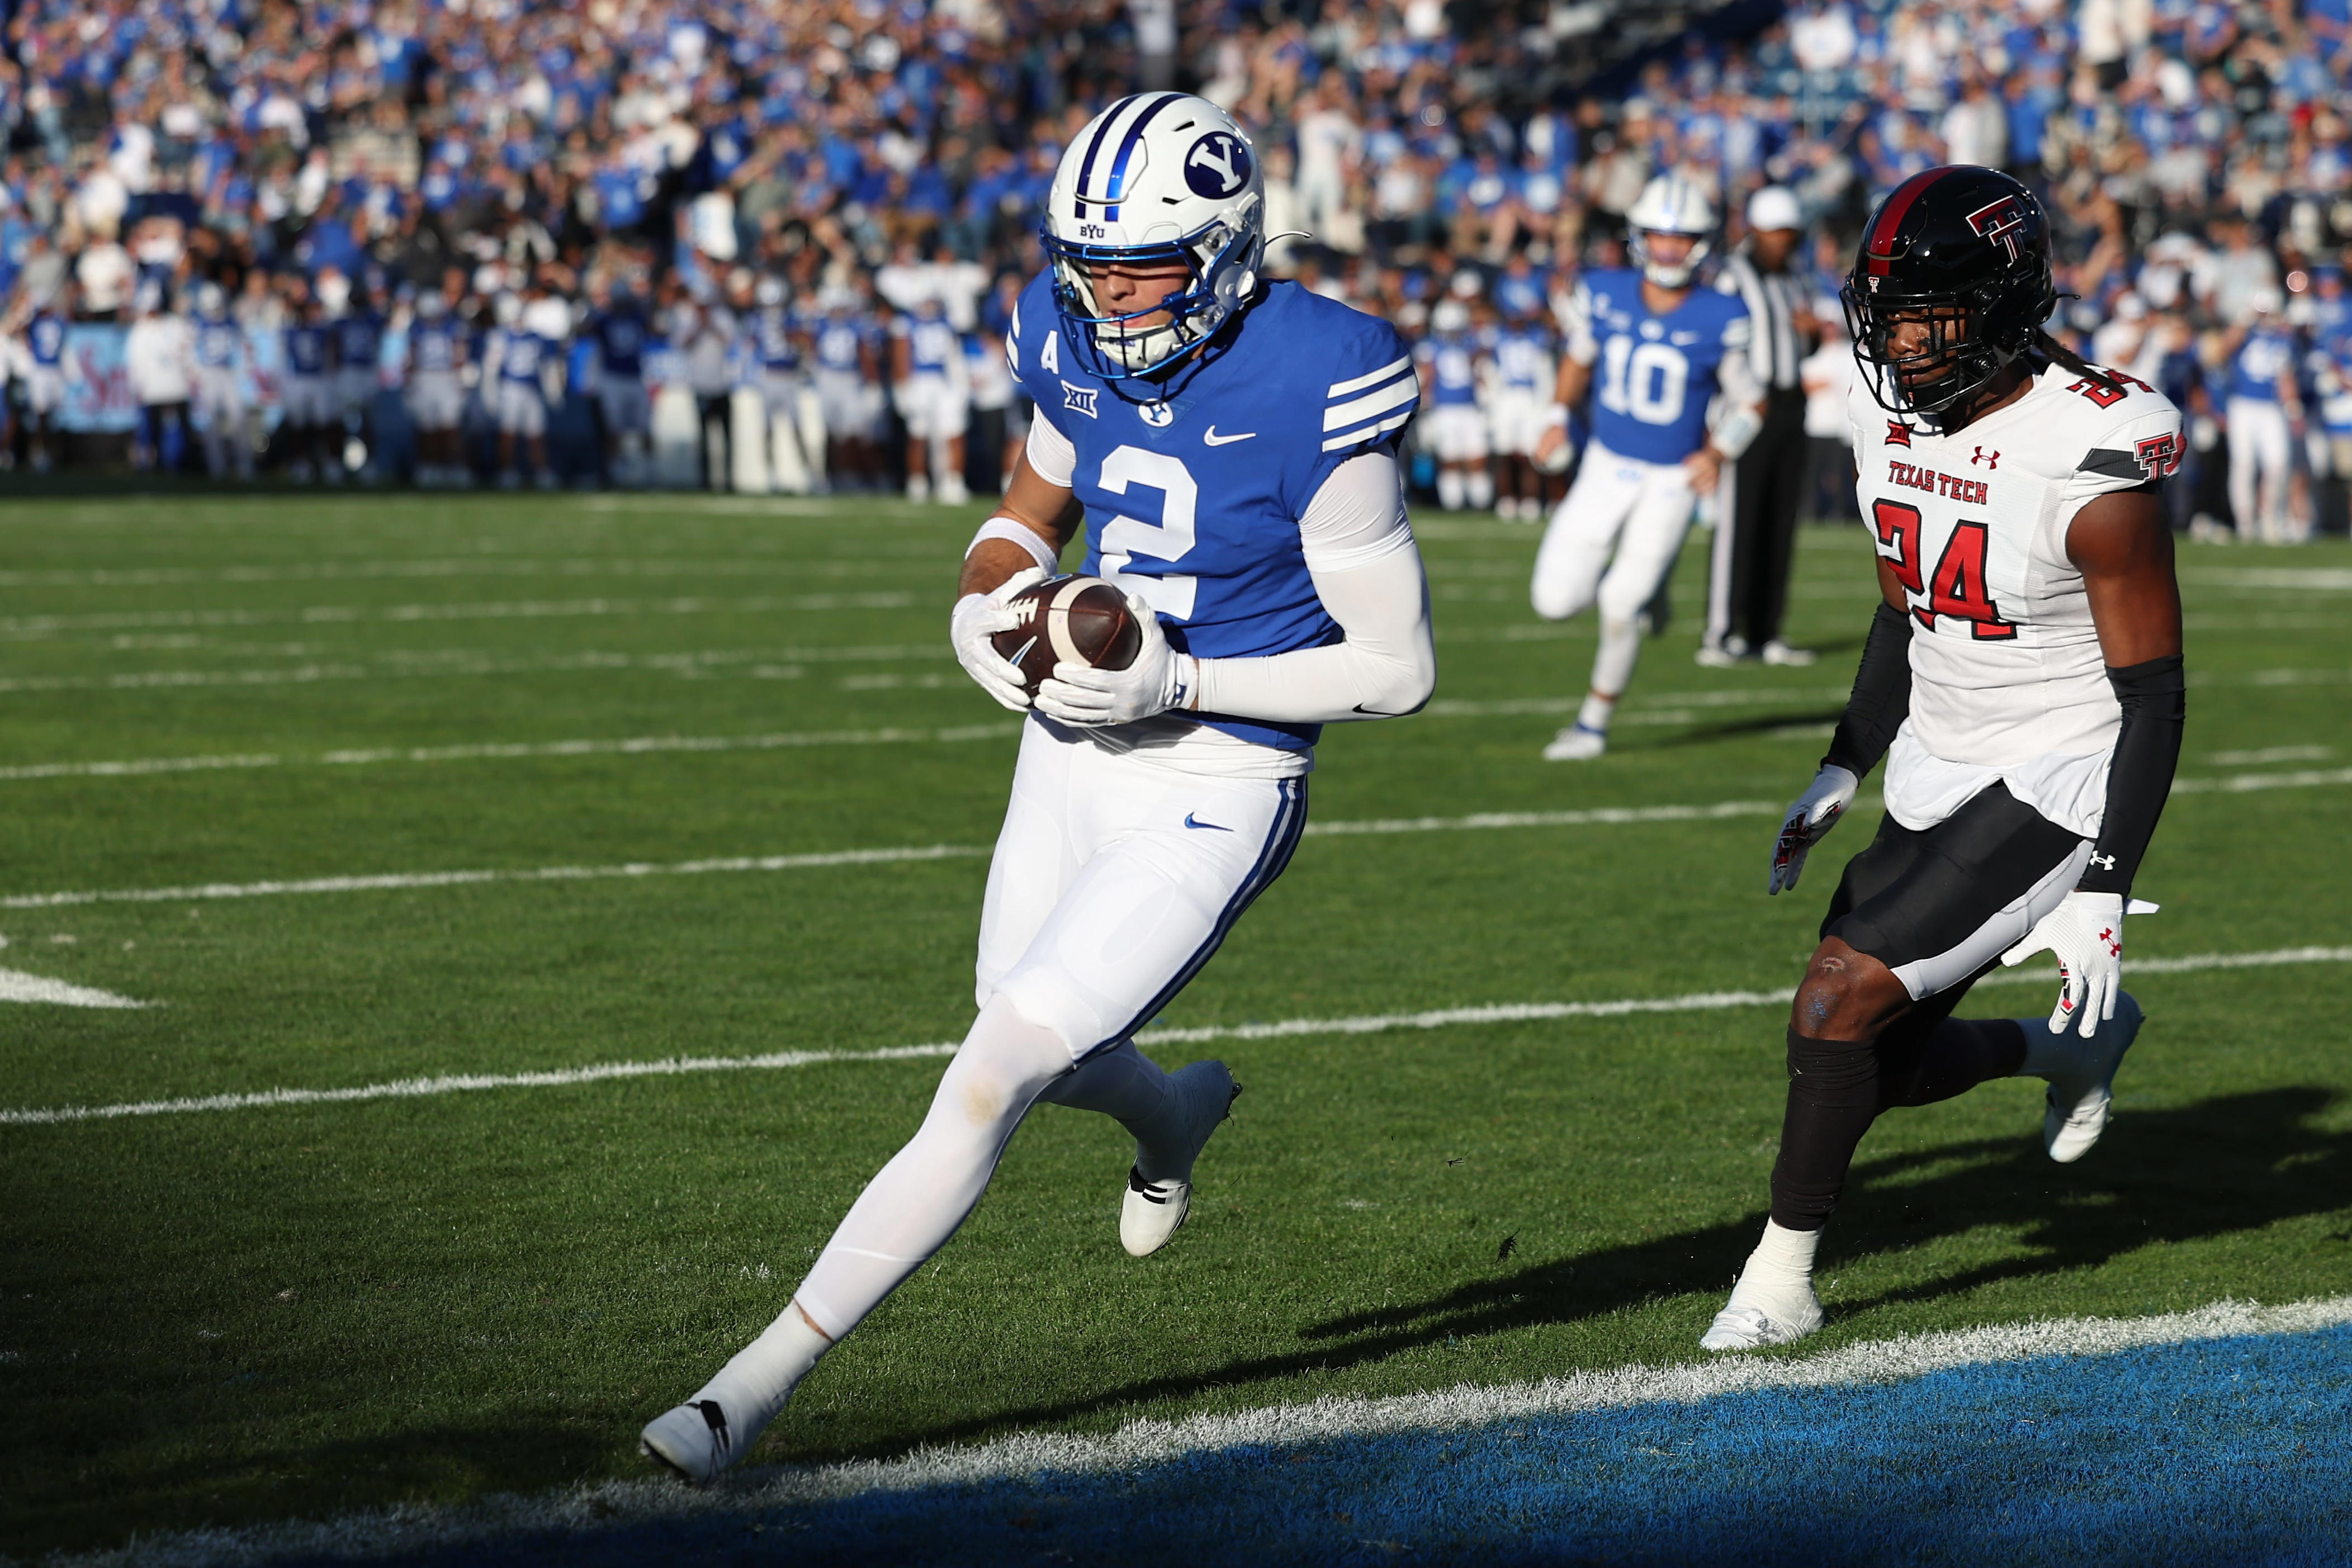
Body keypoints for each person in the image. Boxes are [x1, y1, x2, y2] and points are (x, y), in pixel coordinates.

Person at [638, 92, 1436, 1482]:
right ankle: (1173, 1113)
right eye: (1088, 264)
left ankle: (747, 1389)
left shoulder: (1320, 368)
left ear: (1232, 248)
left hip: (1217, 767)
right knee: (1013, 1020)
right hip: (1067, 740)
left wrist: (1178, 682)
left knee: (991, 1069)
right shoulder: (1067, 325)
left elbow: (1394, 668)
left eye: (1140, 268)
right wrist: (983, 605)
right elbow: (1030, 513)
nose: (1106, 295)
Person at [1702, 168, 2186, 1351]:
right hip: (1938, 754)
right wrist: (1841, 761)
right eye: (1888, 318)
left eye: (1931, 316)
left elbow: (2153, 694)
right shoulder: (1891, 418)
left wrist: (2107, 882)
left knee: (1833, 1000)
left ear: (2007, 300)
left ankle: (1776, 1282)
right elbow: (1898, 616)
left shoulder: (2092, 447)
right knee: (1879, 1059)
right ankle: (2065, 1048)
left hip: (2056, 772)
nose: (1904, 344)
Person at [1529, 174, 1764, 761]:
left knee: (1618, 604)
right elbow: (1578, 358)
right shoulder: (1603, 291)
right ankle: (1649, 590)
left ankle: (1592, 722)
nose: (1667, 249)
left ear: (1700, 243)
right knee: (1552, 602)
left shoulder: (1720, 313)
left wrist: (1717, 452)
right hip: (1605, 466)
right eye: (1658, 236)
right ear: (1638, 238)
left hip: (1671, 481)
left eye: (1680, 238)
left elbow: (1751, 401)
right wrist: (1558, 413)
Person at [1703, 186, 1820, 667]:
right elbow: (1717, 346)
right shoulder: (1731, 278)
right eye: (1776, 234)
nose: (1784, 243)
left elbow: (1799, 347)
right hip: (1748, 407)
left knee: (1779, 519)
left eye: (1790, 235)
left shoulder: (1792, 279)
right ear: (1755, 231)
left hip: (1792, 404)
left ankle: (1766, 630)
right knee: (1740, 519)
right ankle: (1721, 631)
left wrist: (1810, 336)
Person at [2222, 288, 2305, 544]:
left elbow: (2286, 376)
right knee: (2244, 463)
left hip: (2272, 407)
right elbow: (2223, 349)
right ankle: (2246, 523)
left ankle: (2271, 519)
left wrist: (2294, 409)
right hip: (2243, 405)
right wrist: (2246, 318)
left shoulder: (2285, 338)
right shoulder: (2244, 332)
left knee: (2278, 462)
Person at [891, 291, 971, 504]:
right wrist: (901, 386)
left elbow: (955, 356)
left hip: (944, 382)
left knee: (953, 432)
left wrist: (961, 384)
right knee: (918, 434)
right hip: (919, 381)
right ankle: (917, 483)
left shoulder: (947, 322)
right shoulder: (905, 323)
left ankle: (953, 482)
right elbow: (901, 354)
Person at [1487, 297, 1559, 522]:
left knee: (1531, 453)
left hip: (1530, 397)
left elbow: (1546, 371)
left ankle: (1530, 500)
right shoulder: (1497, 338)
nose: (1516, 323)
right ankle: (1507, 500)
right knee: (1504, 451)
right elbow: (1489, 370)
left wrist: (1545, 404)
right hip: (1507, 397)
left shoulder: (1538, 339)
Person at [1416, 297, 1492, 511]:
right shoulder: (1430, 347)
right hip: (1444, 410)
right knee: (1449, 459)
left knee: (1477, 457)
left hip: (1470, 407)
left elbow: (1481, 373)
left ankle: (1480, 505)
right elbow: (1427, 377)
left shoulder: (1472, 344)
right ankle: (1454, 506)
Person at [482, 291, 552, 489]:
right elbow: (490, 370)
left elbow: (544, 366)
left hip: (531, 389)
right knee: (508, 434)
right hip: (510, 389)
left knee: (536, 434)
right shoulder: (500, 337)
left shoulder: (534, 335)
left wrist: (549, 390)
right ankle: (507, 472)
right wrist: (491, 396)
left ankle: (542, 472)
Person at [124, 284, 193, 473]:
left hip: (174, 387)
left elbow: (187, 352)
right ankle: (156, 465)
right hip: (155, 389)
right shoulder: (141, 330)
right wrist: (137, 385)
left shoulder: (175, 325)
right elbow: (135, 363)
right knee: (154, 430)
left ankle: (181, 463)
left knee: (178, 429)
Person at [405, 287, 468, 487]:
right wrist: (410, 382)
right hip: (425, 377)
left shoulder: (452, 327)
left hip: (446, 377)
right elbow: (412, 358)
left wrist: (461, 381)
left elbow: (459, 356)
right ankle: (429, 466)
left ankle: (454, 467)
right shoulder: (416, 328)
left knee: (450, 428)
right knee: (427, 428)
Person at [191, 282, 251, 481]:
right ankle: (217, 467)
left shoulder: (232, 322)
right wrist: (198, 374)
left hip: (228, 373)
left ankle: (244, 465)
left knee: (238, 418)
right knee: (211, 423)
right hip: (209, 374)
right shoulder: (198, 324)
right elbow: (190, 352)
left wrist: (243, 370)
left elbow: (244, 347)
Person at [281, 282, 335, 483]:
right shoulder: (289, 329)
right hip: (298, 379)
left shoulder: (323, 329)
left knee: (324, 425)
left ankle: (328, 463)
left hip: (318, 379)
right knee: (298, 426)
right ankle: (301, 464)